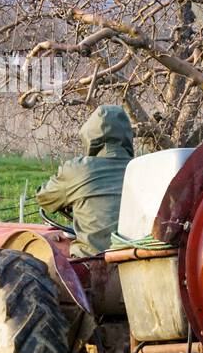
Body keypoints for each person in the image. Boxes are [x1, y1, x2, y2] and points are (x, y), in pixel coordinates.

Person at [36, 105, 134, 256]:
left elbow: (44, 198)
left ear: (89, 136)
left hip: (91, 260)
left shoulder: (77, 169)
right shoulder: (142, 168)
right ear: (127, 136)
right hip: (136, 257)